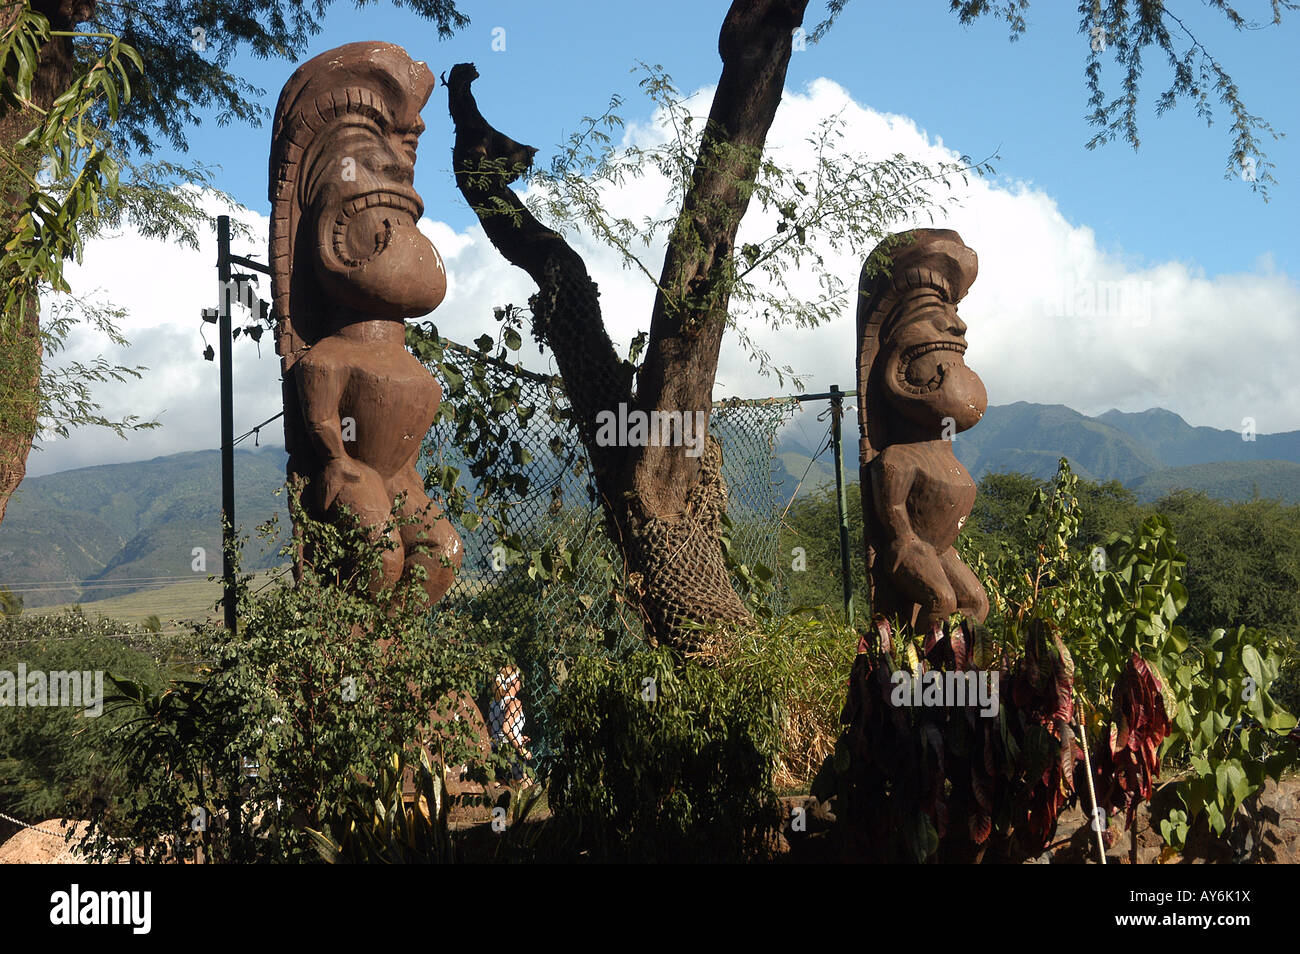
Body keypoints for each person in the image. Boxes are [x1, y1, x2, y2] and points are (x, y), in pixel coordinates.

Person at [488, 665, 532, 787]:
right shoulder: (515, 703)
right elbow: (506, 727)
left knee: (502, 788)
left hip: (496, 751)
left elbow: (491, 729)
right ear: (512, 682)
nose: (520, 682)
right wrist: (521, 750)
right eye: (518, 678)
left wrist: (518, 737)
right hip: (511, 752)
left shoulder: (494, 704)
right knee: (527, 789)